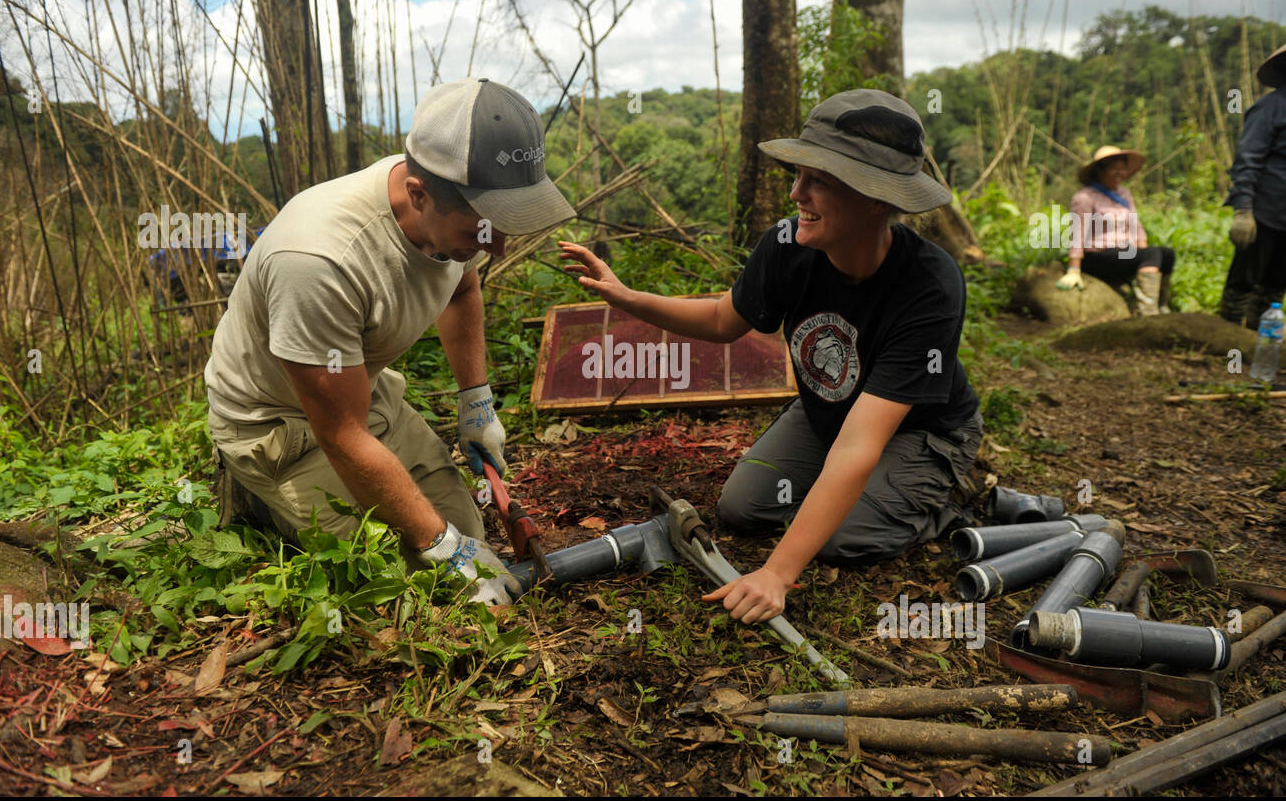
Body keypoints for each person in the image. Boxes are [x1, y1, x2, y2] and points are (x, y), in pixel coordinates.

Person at [560, 89, 983, 625]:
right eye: (799, 174)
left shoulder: (930, 285)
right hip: (832, 412)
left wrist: (776, 574)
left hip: (922, 429)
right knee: (744, 508)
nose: (795, 193)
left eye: (819, 181)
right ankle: (852, 496)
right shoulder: (788, 245)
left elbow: (860, 443)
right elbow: (721, 319)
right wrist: (629, 298)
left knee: (843, 540)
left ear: (876, 198)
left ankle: (948, 494)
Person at [204, 78, 575, 605]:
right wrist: (441, 547)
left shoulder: (447, 212)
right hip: (281, 428)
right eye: (483, 230)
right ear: (418, 194)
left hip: (364, 399)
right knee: (411, 578)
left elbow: (460, 288)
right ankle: (261, 495)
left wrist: (476, 402)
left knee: (469, 530)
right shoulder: (318, 260)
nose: (497, 247)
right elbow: (342, 433)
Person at [1056, 145, 1176, 315]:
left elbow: (1136, 226)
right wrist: (1074, 269)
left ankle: (1161, 304)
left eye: (1123, 169)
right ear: (1100, 170)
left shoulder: (1123, 195)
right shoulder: (1085, 197)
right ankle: (1147, 312)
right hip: (1098, 256)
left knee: (1166, 254)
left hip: (1123, 253)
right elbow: (1077, 233)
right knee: (1152, 254)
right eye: (1114, 169)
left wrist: (1144, 252)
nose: (1119, 174)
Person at [1220, 42, 1286, 328]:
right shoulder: (1270, 107)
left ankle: (1261, 350)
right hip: (1264, 210)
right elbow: (1247, 159)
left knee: (1275, 287)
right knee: (1243, 282)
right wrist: (1243, 210)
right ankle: (1231, 344)